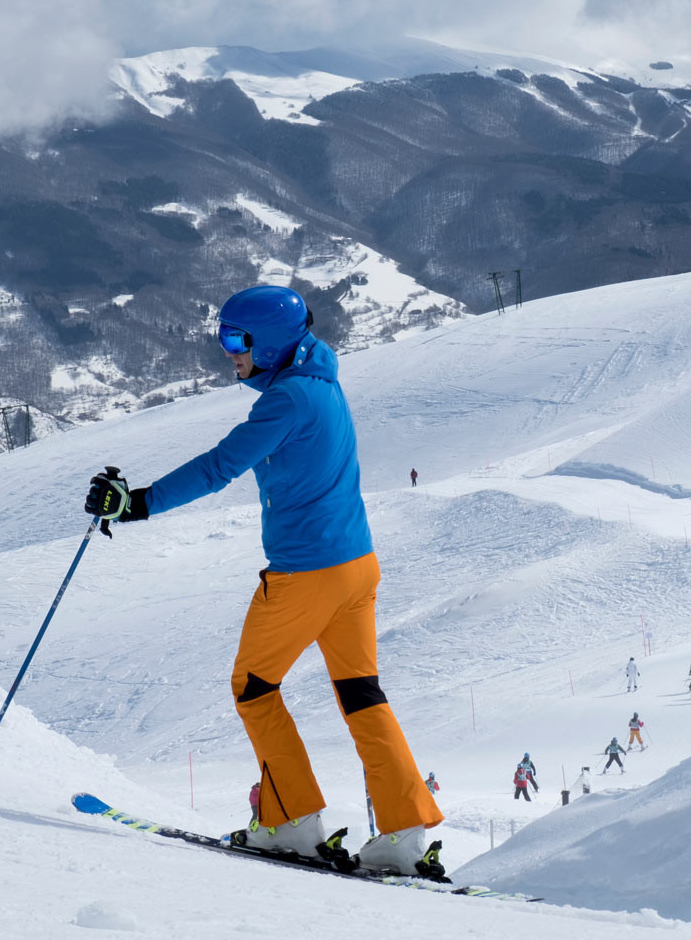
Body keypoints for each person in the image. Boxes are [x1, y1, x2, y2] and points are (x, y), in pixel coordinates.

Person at [83, 284, 440, 876]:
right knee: (361, 694)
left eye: (236, 339)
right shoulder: (320, 382)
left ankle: (291, 821)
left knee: (253, 688)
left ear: (269, 342)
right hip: (356, 567)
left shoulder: (289, 399)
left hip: (307, 574)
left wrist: (135, 503)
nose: (228, 352)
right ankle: (404, 832)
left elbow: (219, 466)